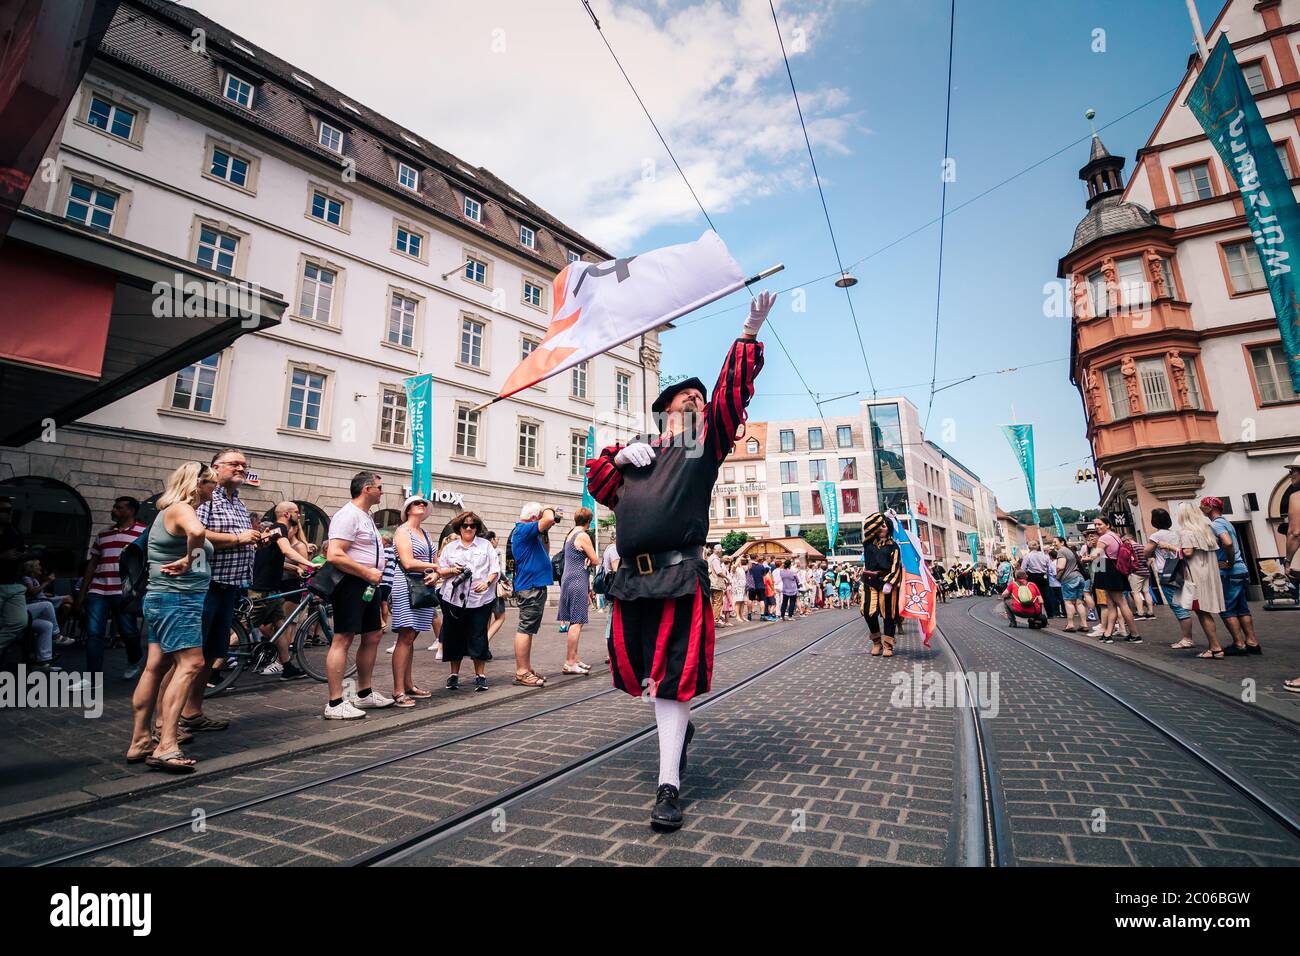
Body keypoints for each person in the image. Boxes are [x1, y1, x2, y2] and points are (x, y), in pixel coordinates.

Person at [585, 289, 771, 832]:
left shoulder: (701, 443)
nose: (694, 402)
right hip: (631, 582)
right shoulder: (638, 452)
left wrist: (748, 335)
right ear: (665, 411)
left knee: (673, 680)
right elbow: (599, 483)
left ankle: (668, 785)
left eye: (698, 398)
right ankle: (677, 733)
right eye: (684, 400)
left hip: (678, 573)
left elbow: (730, 400)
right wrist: (617, 455)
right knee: (646, 676)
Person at [126, 463, 216, 773]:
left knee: (156, 666)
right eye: (210, 484)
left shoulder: (168, 512)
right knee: (192, 664)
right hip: (178, 600)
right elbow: (198, 532)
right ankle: (166, 745)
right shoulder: (182, 508)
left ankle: (140, 741)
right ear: (196, 484)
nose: (213, 489)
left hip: (162, 599)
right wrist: (191, 561)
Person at [323, 472, 394, 718]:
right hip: (351, 583)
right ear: (366, 489)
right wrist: (366, 572)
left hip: (368, 585)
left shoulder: (366, 517)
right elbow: (335, 554)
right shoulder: (348, 514)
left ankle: (364, 694)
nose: (382, 491)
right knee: (343, 638)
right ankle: (334, 703)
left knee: (373, 635)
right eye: (379, 487)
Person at [75, 496, 147, 679]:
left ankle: (135, 659)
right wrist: (83, 593)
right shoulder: (103, 534)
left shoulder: (143, 532)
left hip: (124, 592)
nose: (113, 510)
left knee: (129, 632)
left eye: (118, 508)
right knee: (94, 634)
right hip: (98, 590)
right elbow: (92, 564)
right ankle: (92, 676)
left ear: (130, 511)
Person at [248, 501, 313, 680]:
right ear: (286, 514)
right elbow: (287, 552)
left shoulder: (270, 531)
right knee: (244, 629)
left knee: (280, 625)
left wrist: (295, 569)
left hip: (270, 588)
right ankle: (214, 669)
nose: (299, 516)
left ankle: (287, 667)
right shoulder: (280, 529)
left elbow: (274, 560)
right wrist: (309, 564)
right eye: (296, 512)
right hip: (264, 590)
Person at [435, 511, 499, 692]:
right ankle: (453, 675)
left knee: (478, 636)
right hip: (454, 599)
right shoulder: (450, 548)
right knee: (454, 636)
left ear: (477, 528)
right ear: (459, 528)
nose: (469, 528)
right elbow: (440, 570)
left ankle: (480, 675)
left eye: (473, 525)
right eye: (465, 525)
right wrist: (452, 571)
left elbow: (495, 569)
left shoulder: (485, 545)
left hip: (480, 599)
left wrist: (487, 582)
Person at [387, 495, 439, 707]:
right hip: (405, 587)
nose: (421, 505)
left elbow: (436, 562)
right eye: (417, 503)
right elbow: (407, 562)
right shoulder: (402, 531)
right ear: (408, 509)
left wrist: (436, 575)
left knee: (411, 638)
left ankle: (408, 684)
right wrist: (437, 569)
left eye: (423, 504)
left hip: (423, 588)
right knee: (405, 636)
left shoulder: (425, 533)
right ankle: (398, 690)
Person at [1200, 497, 1261, 656]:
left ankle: (1239, 643)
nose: (1200, 508)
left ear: (1211, 507)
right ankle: (1252, 641)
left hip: (1228, 572)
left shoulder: (1216, 524)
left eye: (1203, 505)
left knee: (1227, 609)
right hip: (1241, 570)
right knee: (1242, 609)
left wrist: (1229, 561)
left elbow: (1227, 543)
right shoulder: (1227, 522)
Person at [508, 502, 558, 686]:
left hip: (534, 586)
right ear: (533, 518)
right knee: (525, 628)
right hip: (530, 587)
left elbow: (546, 550)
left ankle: (526, 669)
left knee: (528, 629)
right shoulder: (523, 529)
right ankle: (521, 672)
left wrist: (546, 527)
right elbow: (549, 518)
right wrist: (548, 510)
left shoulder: (530, 533)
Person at [1175, 501, 1226, 659]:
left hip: (1195, 575)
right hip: (1209, 573)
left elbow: (1188, 552)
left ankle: (1215, 647)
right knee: (1205, 611)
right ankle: (1215, 646)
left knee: (1202, 612)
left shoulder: (1186, 532)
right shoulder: (1206, 529)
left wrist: (1171, 547)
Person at [1144, 508, 1197, 650]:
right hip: (1179, 570)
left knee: (1177, 606)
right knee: (1181, 603)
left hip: (1166, 571)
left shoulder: (1156, 536)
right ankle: (1187, 638)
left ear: (1154, 521)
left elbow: (1146, 552)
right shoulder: (1176, 534)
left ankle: (1187, 638)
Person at [557, 508, 597, 674]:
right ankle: (570, 662)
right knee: (577, 621)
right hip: (577, 579)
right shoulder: (583, 535)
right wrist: (590, 560)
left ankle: (575, 657)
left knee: (574, 620)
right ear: (589, 521)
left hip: (568, 579)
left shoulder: (570, 534)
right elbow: (595, 559)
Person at [1091, 516, 1141, 645]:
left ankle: (1135, 634)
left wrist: (1089, 556)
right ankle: (1108, 633)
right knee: (1111, 604)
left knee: (1121, 602)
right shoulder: (1115, 536)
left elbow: (1096, 554)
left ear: (1107, 525)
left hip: (1109, 570)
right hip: (1113, 569)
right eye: (1095, 525)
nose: (1097, 527)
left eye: (1099, 524)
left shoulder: (1104, 538)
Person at [860, 513, 902, 655]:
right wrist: (881, 516)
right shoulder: (868, 542)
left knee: (888, 614)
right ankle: (876, 642)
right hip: (870, 581)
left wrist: (890, 583)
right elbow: (867, 525)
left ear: (889, 528)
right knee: (868, 612)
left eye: (883, 525)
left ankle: (888, 645)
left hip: (886, 582)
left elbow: (896, 566)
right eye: (879, 525)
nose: (881, 528)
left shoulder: (894, 547)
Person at [1054, 538, 1088, 632]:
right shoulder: (1070, 551)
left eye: (1055, 542)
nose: (1054, 544)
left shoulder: (1061, 551)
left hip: (1069, 579)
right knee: (1079, 602)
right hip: (1079, 577)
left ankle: (1070, 624)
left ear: (1062, 542)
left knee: (1068, 602)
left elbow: (1061, 566)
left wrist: (1057, 575)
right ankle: (1084, 624)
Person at [1122, 533, 1153, 620]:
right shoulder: (1142, 546)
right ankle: (1151, 612)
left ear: (1128, 540)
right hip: (1145, 572)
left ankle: (1140, 613)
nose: (1123, 543)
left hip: (1135, 572)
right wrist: (1146, 566)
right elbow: (1150, 559)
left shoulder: (1131, 547)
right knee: (1146, 592)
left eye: (1124, 541)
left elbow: (1128, 560)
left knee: (1135, 592)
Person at [485, 530, 508, 640]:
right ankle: (485, 641)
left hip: (481, 589)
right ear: (491, 540)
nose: (497, 541)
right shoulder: (492, 552)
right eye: (496, 539)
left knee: (485, 617)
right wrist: (506, 579)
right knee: (500, 617)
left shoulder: (481, 551)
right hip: (493, 588)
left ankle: (480, 644)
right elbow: (496, 571)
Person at [707, 544, 729, 626]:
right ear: (718, 551)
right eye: (721, 551)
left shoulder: (712, 557)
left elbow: (720, 560)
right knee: (717, 602)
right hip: (716, 583)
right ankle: (715, 619)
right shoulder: (715, 559)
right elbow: (719, 572)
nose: (721, 553)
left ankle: (713, 618)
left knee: (714, 602)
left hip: (712, 582)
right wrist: (727, 578)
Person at [731, 556, 749, 623]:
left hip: (743, 586)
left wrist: (748, 559)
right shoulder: (734, 567)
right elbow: (733, 568)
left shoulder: (742, 568)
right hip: (737, 586)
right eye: (740, 560)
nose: (740, 561)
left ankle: (742, 615)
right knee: (738, 601)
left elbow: (749, 566)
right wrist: (737, 561)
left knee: (743, 601)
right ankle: (737, 616)